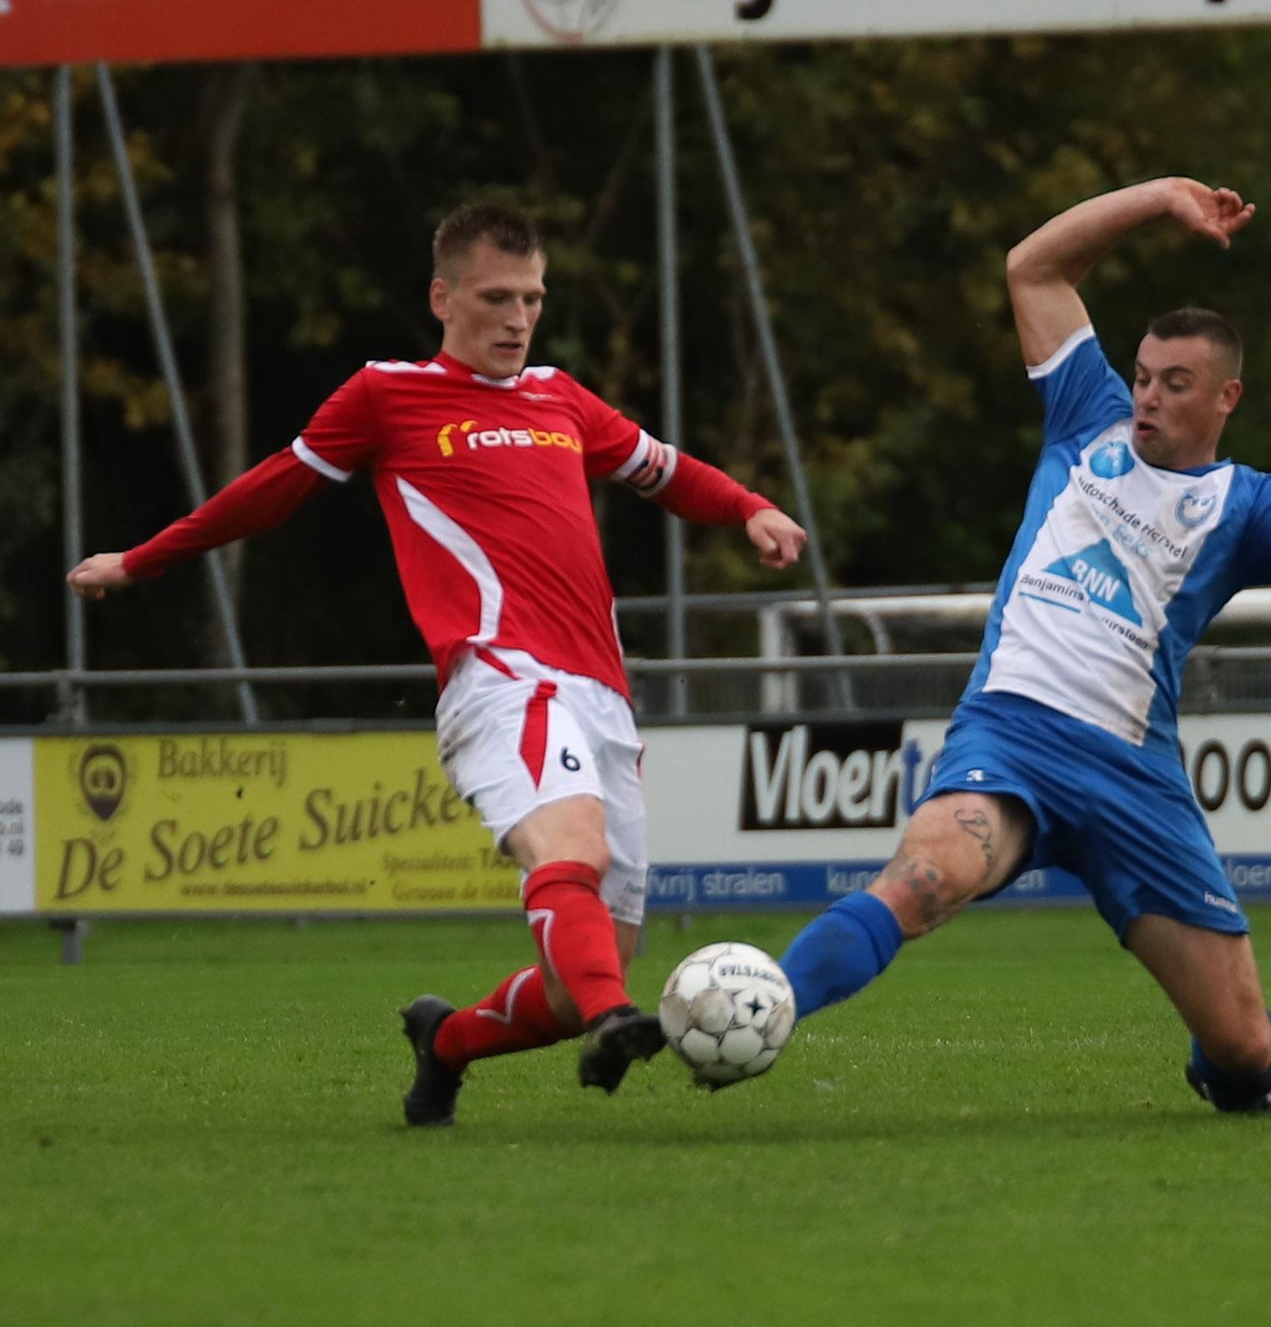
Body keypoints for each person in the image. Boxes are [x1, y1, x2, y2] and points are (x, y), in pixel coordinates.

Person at [67, 202, 806, 1125]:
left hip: (604, 700)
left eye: (532, 297)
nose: (518, 317)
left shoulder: (560, 399)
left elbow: (664, 468)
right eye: (497, 296)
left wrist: (749, 508)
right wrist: (142, 559)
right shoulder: (388, 394)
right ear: (442, 297)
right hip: (502, 677)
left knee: (578, 976)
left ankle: (446, 1040)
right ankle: (616, 1020)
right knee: (572, 870)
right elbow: (273, 489)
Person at [754, 176, 1271, 1114]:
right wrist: (1164, 195)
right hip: (1007, 736)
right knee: (921, 878)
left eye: (1176, 385)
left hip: (1133, 777)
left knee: (1246, 1051)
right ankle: (761, 1006)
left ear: (1227, 398)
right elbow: (1033, 267)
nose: (1149, 399)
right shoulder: (1085, 418)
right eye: (1143, 377)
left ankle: (1234, 1073)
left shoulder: (1245, 503)